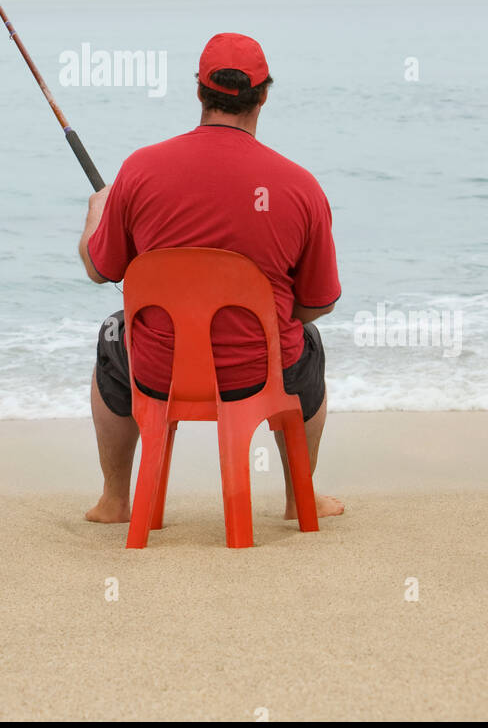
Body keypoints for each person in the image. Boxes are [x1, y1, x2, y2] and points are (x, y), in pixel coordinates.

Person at [78, 31, 343, 524]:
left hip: (159, 371)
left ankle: (116, 500)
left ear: (199, 91)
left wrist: (96, 213)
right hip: (260, 373)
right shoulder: (301, 186)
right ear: (263, 95)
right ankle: (299, 497)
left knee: (113, 333)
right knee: (308, 340)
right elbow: (316, 303)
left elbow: (99, 269)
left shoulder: (139, 170)